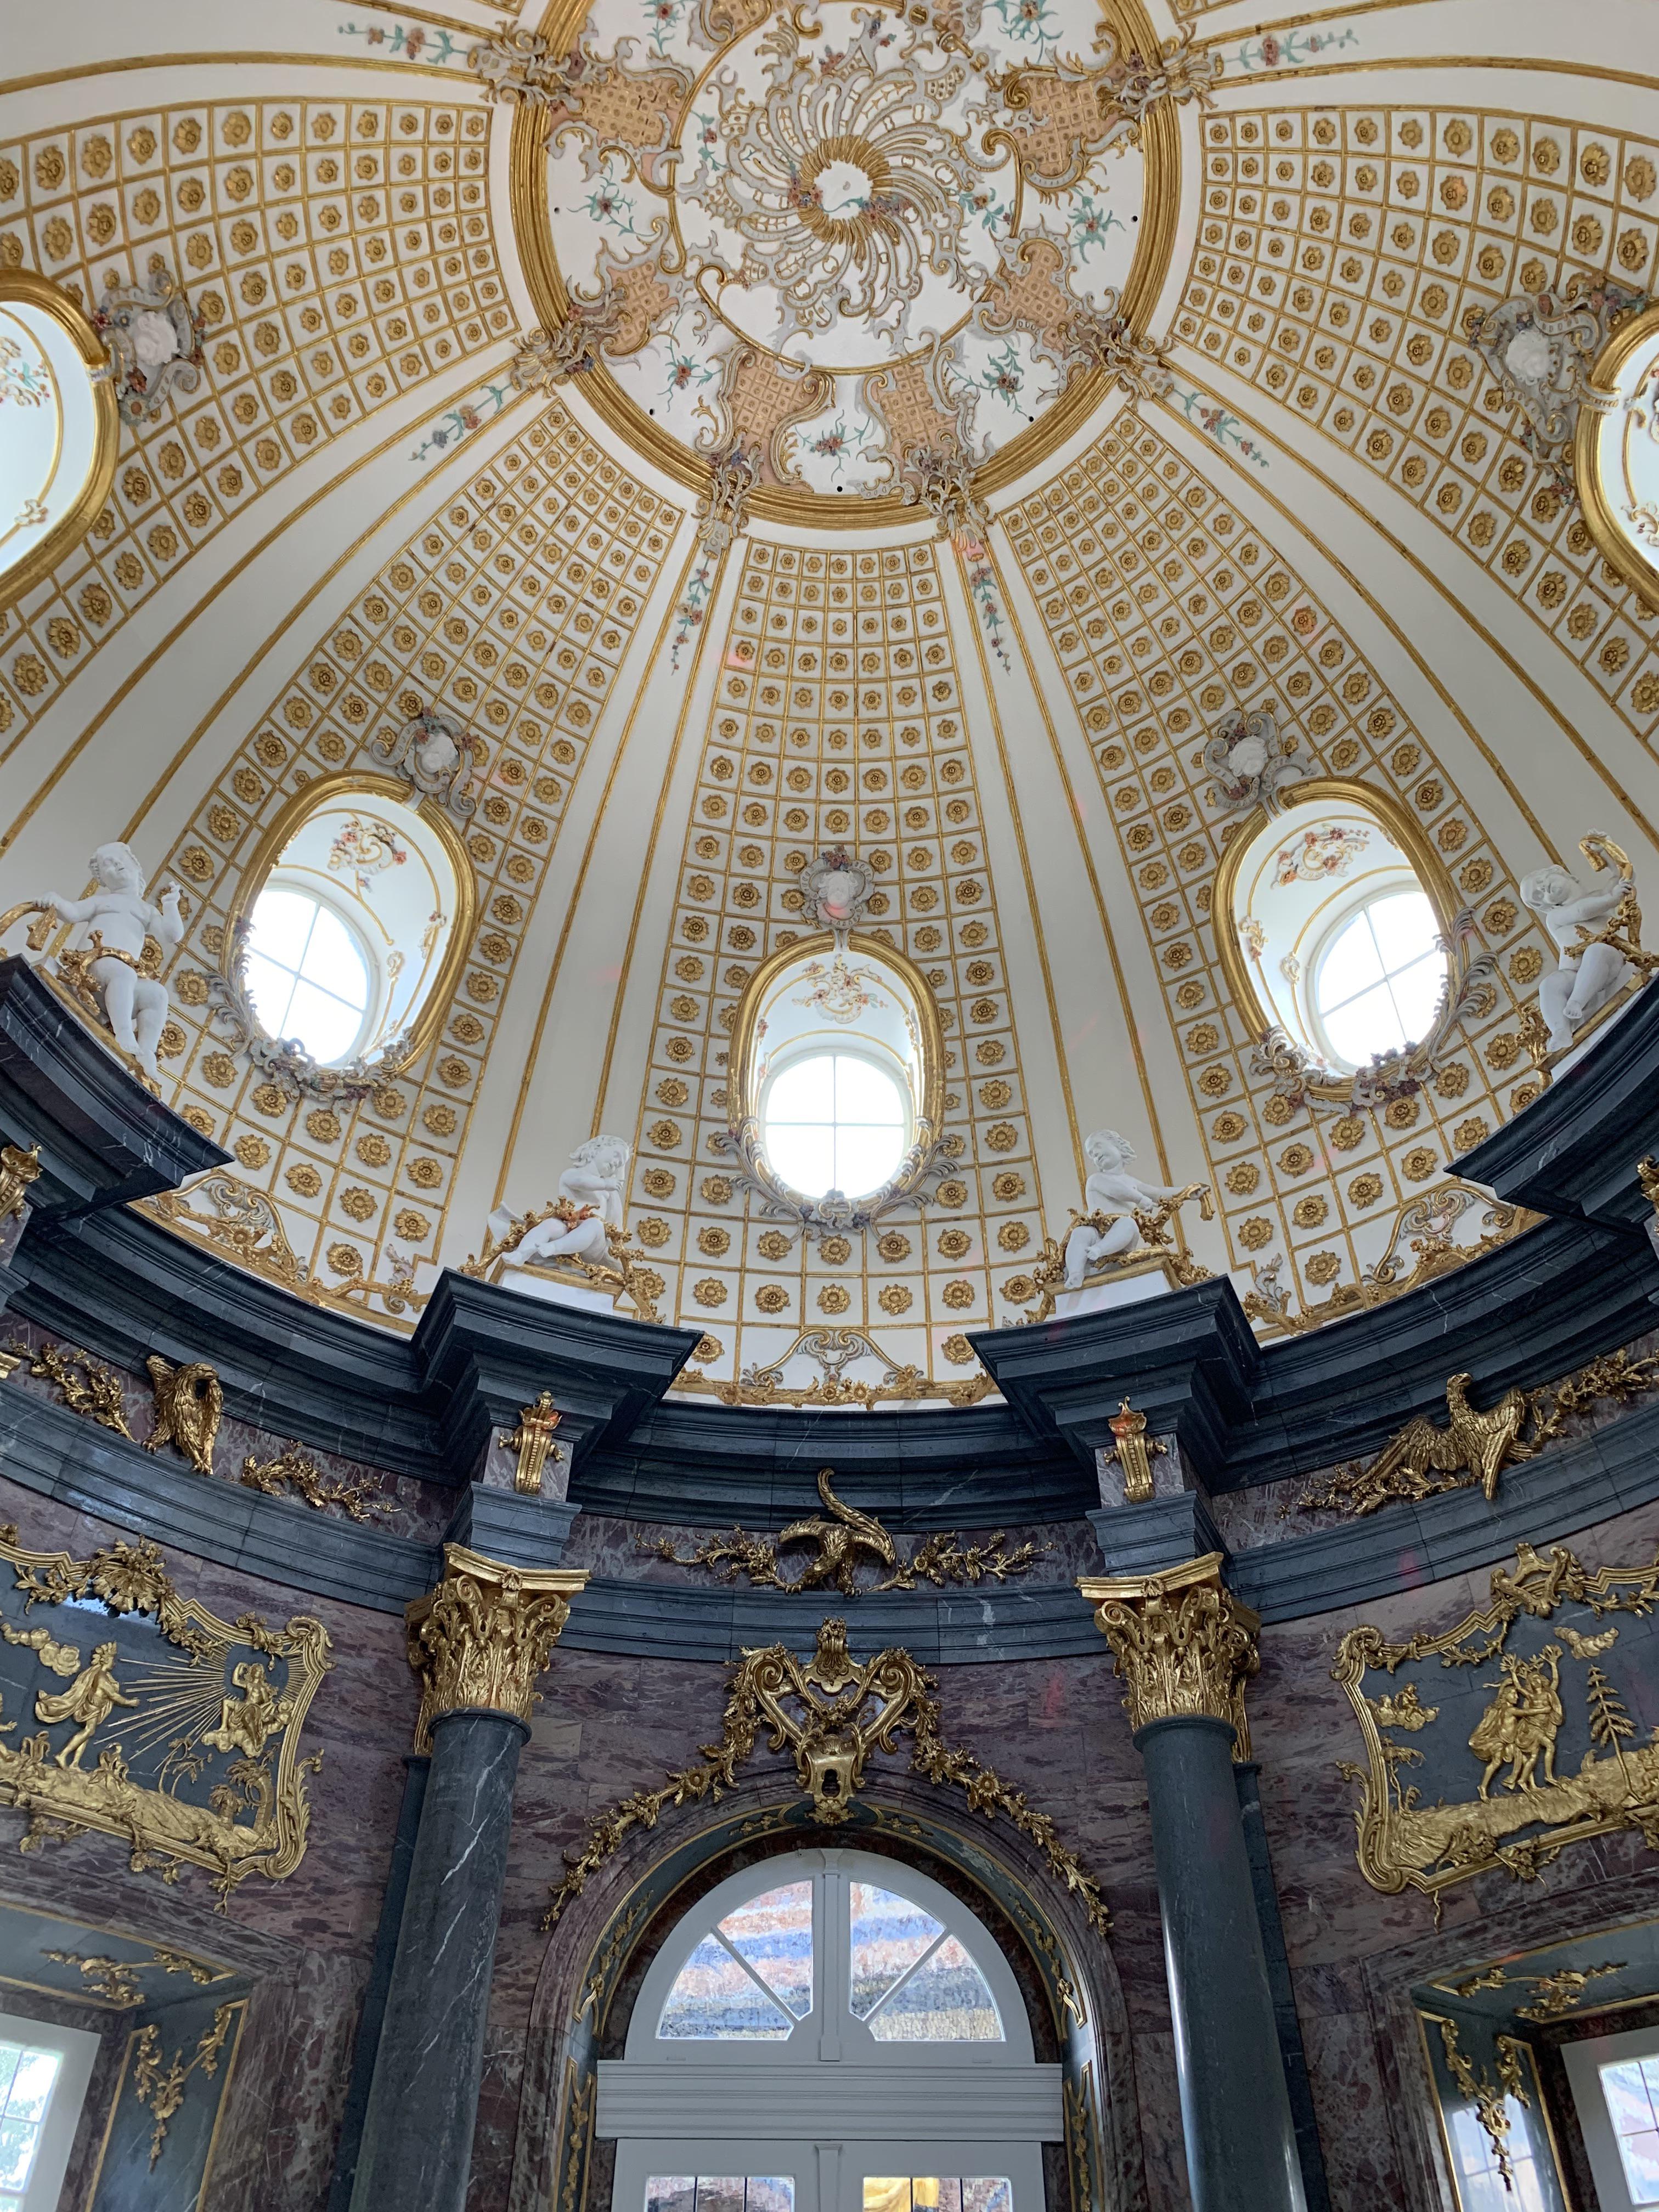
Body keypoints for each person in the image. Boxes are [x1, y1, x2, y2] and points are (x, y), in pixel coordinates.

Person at [38, 842, 183, 1080]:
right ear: (102, 879)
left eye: (120, 860)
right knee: (124, 973)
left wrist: (170, 906)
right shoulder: (102, 901)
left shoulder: (147, 911)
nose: (116, 865)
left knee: (157, 994)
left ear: (136, 868)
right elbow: (72, 913)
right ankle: (123, 1031)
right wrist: (54, 899)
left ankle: (147, 1050)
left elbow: (172, 935)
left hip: (120, 984)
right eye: (108, 864)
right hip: (92, 966)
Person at [1519, 862, 1634, 1054]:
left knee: (1596, 951)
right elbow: (1581, 911)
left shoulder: (1599, 896)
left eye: (1540, 882)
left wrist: (1603, 854)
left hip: (1608, 961)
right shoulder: (1555, 917)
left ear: (1559, 871)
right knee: (1549, 985)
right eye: (1538, 896)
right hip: (1573, 973)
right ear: (1547, 906)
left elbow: (1622, 874)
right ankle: (1560, 1030)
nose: (1543, 889)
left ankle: (1577, 1002)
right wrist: (1611, 899)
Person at [1063, 1129, 1198, 1289]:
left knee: (1128, 1224)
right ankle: (1076, 1273)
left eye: (1098, 1146)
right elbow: (1115, 1189)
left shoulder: (1132, 1182)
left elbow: (1158, 1193)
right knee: (1081, 1233)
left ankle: (1099, 1250)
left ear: (1117, 1145)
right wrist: (1139, 1199)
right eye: (1091, 1154)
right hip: (1096, 1233)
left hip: (1122, 1240)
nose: (1095, 1154)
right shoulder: (1096, 1179)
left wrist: (1188, 1191)